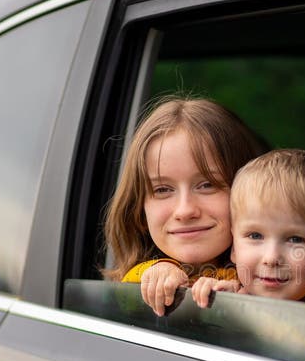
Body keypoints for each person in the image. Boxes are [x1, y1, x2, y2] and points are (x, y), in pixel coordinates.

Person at [104, 95, 265, 315]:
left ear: (251, 193)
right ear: (139, 212)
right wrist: (156, 274)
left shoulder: (291, 277)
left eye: (207, 185)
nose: (185, 210)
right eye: (162, 190)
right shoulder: (136, 281)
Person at [192, 148, 305, 310]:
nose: (271, 258)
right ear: (234, 246)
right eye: (255, 236)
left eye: (295, 239)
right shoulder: (224, 280)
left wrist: (249, 310)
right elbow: (173, 289)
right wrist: (218, 300)